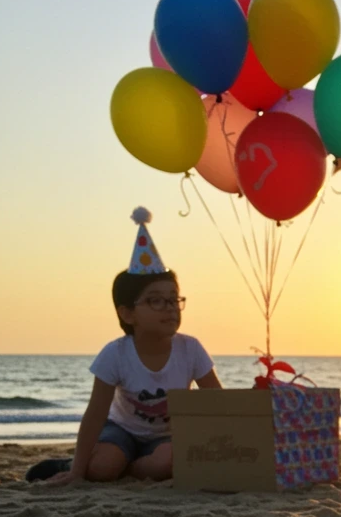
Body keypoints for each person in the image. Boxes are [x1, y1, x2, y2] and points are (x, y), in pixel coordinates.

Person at [37, 208, 221, 485]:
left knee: (167, 463)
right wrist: (77, 470)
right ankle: (74, 463)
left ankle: (132, 469)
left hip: (167, 436)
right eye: (156, 300)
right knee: (101, 469)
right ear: (127, 314)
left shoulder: (190, 349)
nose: (170, 308)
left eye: (173, 299)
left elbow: (218, 401)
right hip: (120, 430)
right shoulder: (116, 354)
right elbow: (96, 413)